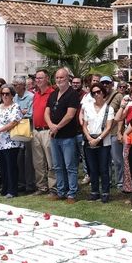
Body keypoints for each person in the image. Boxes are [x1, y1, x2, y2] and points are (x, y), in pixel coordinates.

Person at [46, 67, 82, 202]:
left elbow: (70, 115)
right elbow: (47, 111)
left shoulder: (72, 94)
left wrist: (57, 127)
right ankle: (61, 191)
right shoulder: (53, 94)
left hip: (68, 136)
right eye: (57, 78)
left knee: (70, 166)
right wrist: (51, 125)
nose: (59, 80)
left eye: (62, 77)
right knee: (58, 166)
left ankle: (72, 193)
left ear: (68, 79)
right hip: (55, 136)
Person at [80, 80, 117, 203]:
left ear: (103, 92)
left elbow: (108, 127)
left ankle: (105, 192)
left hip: (104, 142)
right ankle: (94, 192)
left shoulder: (109, 109)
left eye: (99, 92)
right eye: (94, 92)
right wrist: (90, 138)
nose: (96, 94)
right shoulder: (87, 107)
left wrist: (98, 139)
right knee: (92, 168)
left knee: (103, 168)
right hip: (89, 141)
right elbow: (84, 125)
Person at [31, 69, 56, 195]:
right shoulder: (35, 94)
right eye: (36, 78)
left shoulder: (52, 93)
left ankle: (53, 187)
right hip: (36, 131)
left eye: (40, 78)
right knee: (38, 161)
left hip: (47, 130)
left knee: (51, 160)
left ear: (47, 78)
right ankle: (41, 186)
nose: (38, 80)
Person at [11, 76, 36, 195]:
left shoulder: (31, 96)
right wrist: (22, 111)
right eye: (13, 84)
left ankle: (30, 184)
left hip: (28, 129)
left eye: (16, 85)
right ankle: (21, 183)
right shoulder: (14, 97)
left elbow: (30, 114)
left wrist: (19, 112)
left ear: (22, 85)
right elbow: (12, 113)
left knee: (28, 158)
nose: (14, 87)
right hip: (17, 130)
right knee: (19, 158)